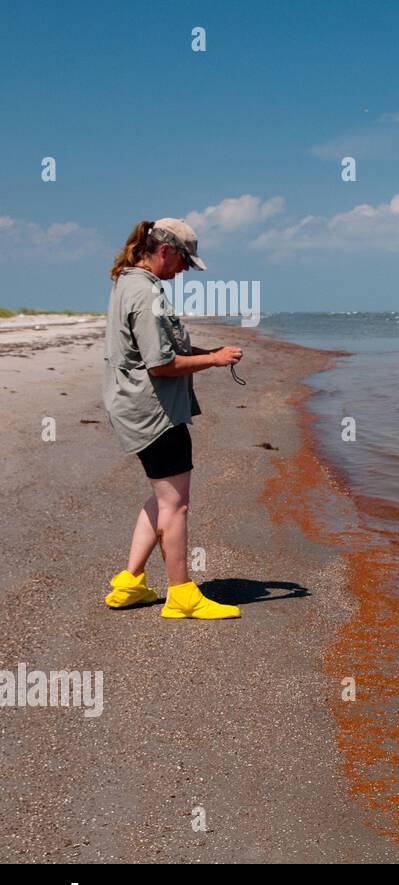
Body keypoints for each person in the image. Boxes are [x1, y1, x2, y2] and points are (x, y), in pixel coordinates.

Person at [101, 218, 244, 619]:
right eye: (183, 260)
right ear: (164, 250)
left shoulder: (129, 283)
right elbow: (161, 364)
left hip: (134, 406)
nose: (184, 269)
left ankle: (131, 582)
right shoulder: (145, 293)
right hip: (154, 412)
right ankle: (182, 594)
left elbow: (160, 347)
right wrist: (214, 360)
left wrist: (208, 351)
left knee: (163, 496)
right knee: (177, 504)